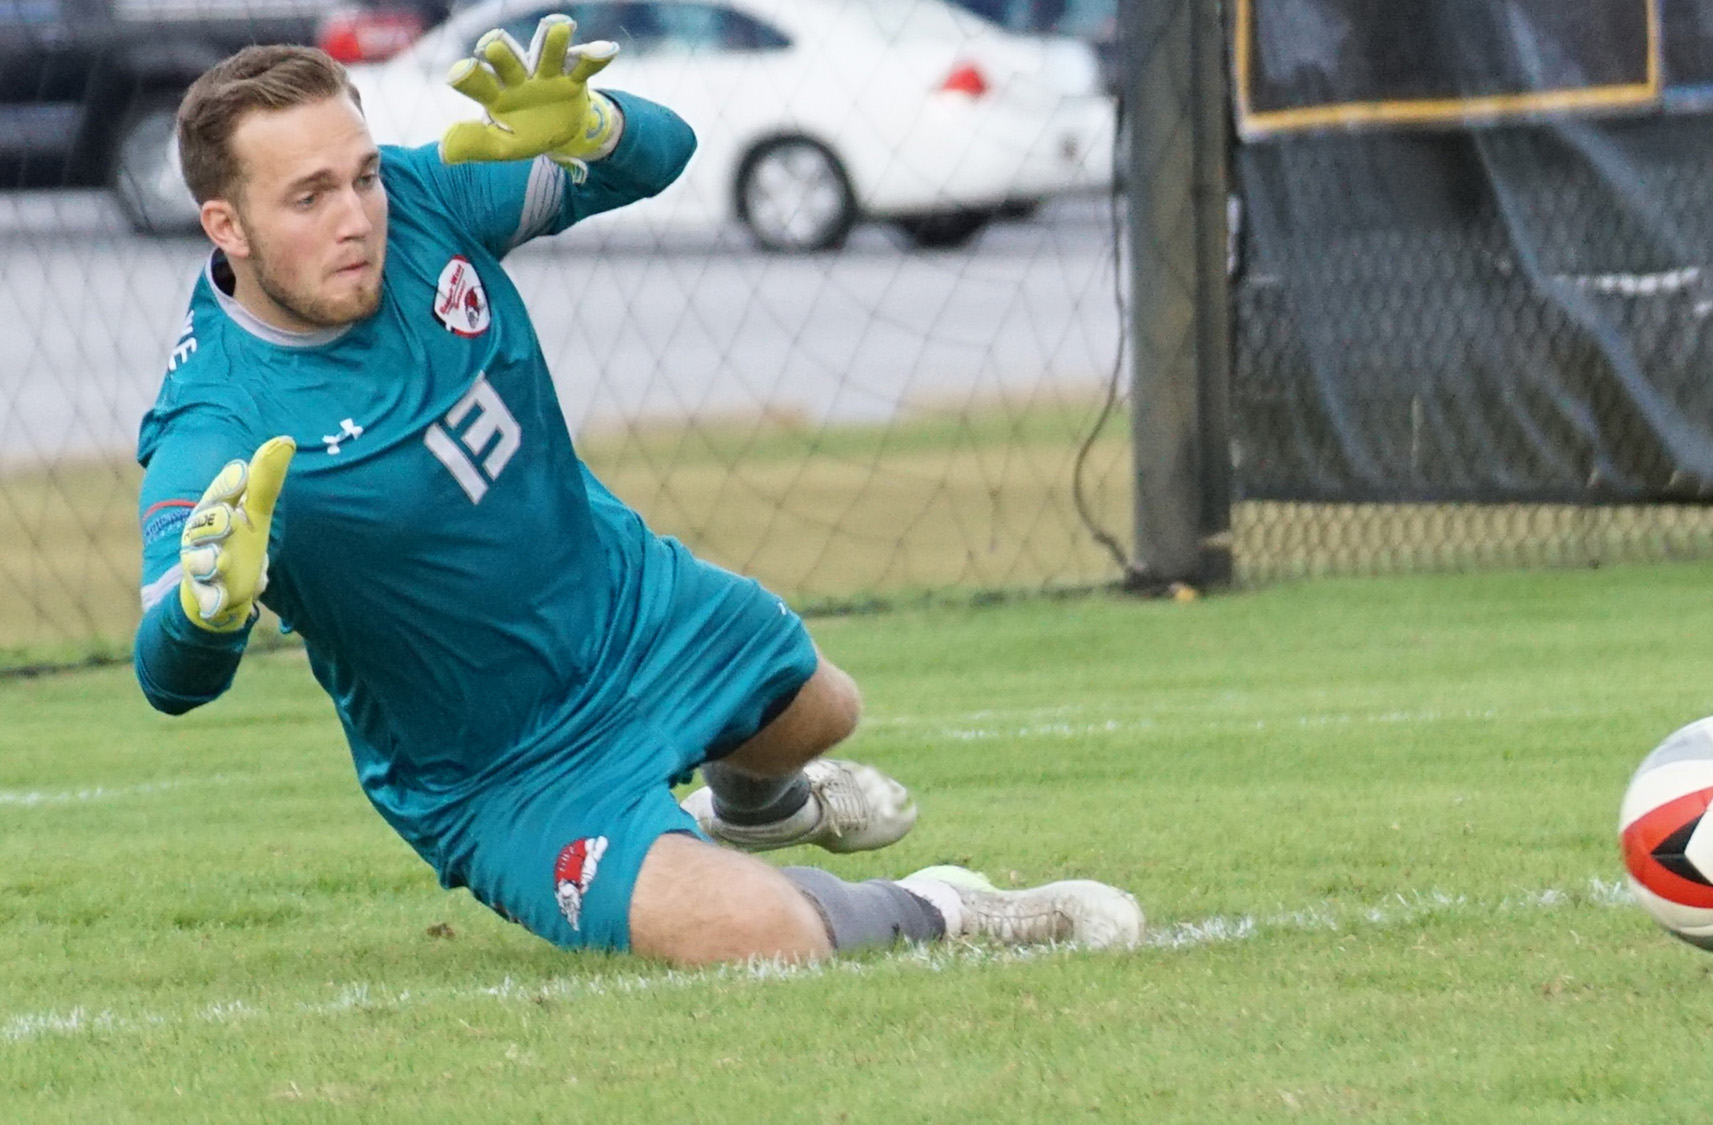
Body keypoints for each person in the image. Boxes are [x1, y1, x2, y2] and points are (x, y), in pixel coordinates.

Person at [132, 21, 1144, 964]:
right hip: (502, 770)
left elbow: (663, 156)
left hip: (634, 613)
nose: (357, 216)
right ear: (227, 225)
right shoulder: (213, 420)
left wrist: (595, 128)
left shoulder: (423, 201)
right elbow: (167, 674)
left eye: (361, 175)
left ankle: (744, 812)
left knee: (824, 710)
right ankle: (945, 905)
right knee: (761, 933)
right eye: (309, 198)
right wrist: (206, 613)